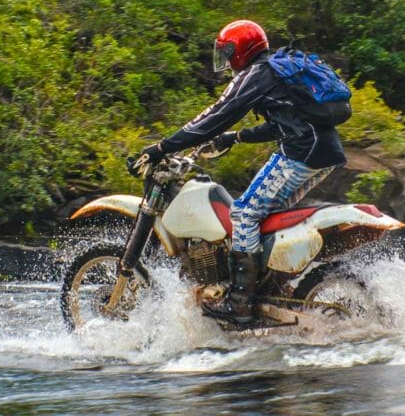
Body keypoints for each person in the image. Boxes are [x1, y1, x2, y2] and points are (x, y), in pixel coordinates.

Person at [135, 20, 346, 325]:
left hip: (302, 152)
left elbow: (213, 116)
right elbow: (281, 122)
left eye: (228, 50)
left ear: (242, 50)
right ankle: (273, 288)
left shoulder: (255, 75)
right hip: (323, 152)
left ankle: (240, 304)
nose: (225, 57)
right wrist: (235, 138)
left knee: (245, 213)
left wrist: (161, 147)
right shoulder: (275, 71)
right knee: (265, 216)